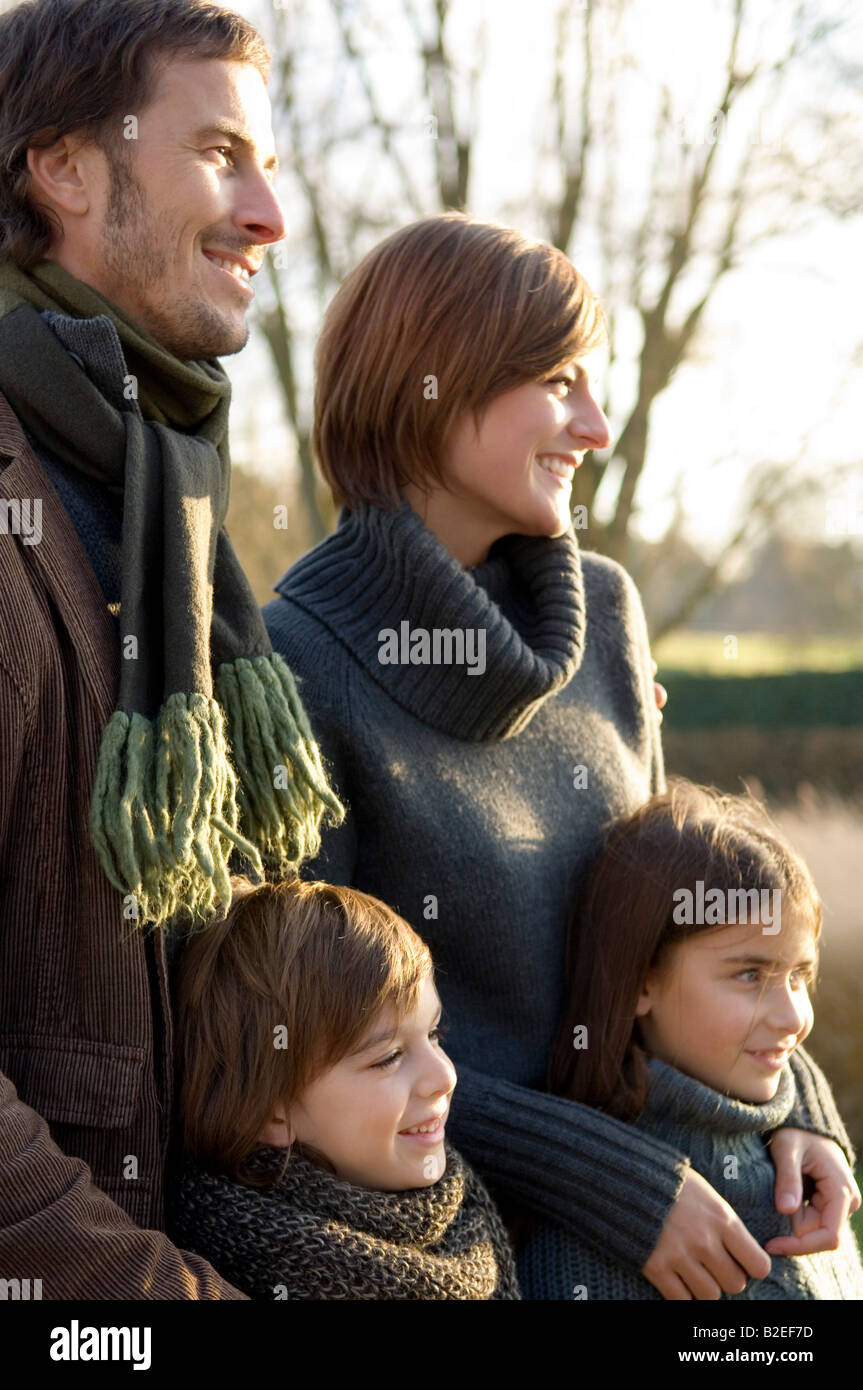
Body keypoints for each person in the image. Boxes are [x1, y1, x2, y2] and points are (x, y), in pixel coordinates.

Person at [263, 212, 860, 1300]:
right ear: (430, 381)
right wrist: (613, 1185)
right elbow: (305, 1046)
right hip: (471, 1252)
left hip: (687, 1205)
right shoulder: (295, 664)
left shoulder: (608, 615)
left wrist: (796, 1110)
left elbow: (687, 910)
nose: (592, 424)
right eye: (557, 381)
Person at [0, 0, 341, 1298]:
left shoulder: (162, 482)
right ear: (66, 167)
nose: (268, 214)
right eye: (219, 155)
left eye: (268, 165)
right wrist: (156, 1296)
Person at [518, 779, 863, 1299]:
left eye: (800, 976)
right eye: (749, 975)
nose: (795, 1017)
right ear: (640, 981)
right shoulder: (587, 1249)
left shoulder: (809, 1175)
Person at [167, 877, 521, 1300]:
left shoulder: (465, 1223)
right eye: (388, 1057)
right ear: (272, 1112)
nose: (445, 1076)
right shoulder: (235, 1277)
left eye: (434, 1034)